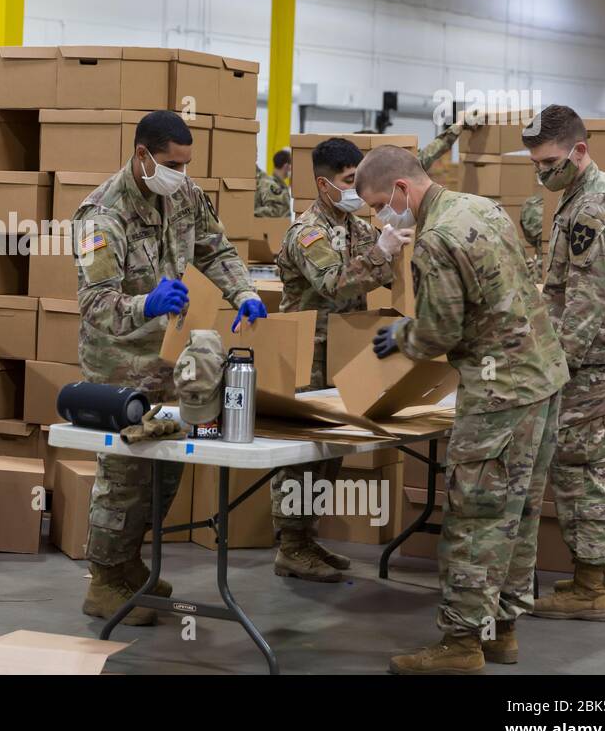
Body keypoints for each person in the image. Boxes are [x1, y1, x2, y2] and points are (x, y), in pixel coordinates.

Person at [357, 145, 568, 674]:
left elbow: (440, 332)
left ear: (402, 189)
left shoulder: (435, 239)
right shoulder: (482, 207)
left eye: (381, 205)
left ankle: (461, 643)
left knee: (474, 518)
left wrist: (403, 336)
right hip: (542, 378)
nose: (383, 218)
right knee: (515, 515)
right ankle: (502, 630)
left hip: (498, 395)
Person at [74, 110, 266, 625]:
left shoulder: (185, 194)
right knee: (124, 475)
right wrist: (147, 304)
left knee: (166, 468)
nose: (181, 173)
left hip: (171, 359)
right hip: (119, 366)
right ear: (143, 155)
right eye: (172, 164)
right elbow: (95, 304)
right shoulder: (101, 214)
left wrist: (243, 292)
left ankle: (130, 565)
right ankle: (104, 579)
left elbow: (215, 248)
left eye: (186, 164)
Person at [272, 138, 412, 581]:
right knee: (303, 453)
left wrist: (400, 245)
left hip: (341, 352)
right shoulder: (307, 232)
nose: (357, 188)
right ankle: (290, 545)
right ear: (323, 183)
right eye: (350, 180)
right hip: (307, 356)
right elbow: (333, 283)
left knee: (329, 452)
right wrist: (381, 253)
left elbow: (383, 272)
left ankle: (306, 538)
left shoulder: (355, 228)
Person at [524, 105, 605, 619]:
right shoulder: (591, 192)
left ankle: (588, 588)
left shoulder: (590, 206)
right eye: (535, 164)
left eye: (549, 163)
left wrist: (558, 365)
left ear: (579, 151)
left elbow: (587, 300)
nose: (542, 173)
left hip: (592, 363)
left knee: (580, 471)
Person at [254, 147, 292, 218]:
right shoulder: (269, 184)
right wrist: (249, 213)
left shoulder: (277, 185)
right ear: (286, 166)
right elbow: (276, 211)